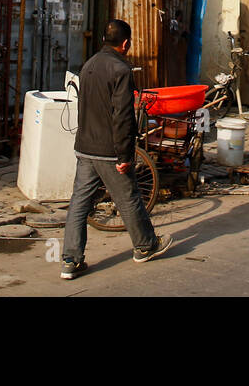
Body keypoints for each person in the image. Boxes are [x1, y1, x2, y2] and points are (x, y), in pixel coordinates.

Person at [60, 19, 172, 279]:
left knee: (79, 203)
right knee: (128, 197)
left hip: (85, 146)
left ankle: (70, 260)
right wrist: (125, 155)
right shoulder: (121, 70)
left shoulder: (88, 65)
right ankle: (145, 246)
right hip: (109, 149)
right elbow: (123, 117)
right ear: (125, 43)